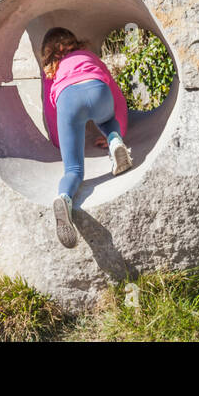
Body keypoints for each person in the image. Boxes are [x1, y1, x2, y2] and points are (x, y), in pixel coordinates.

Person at [40, 27, 133, 249]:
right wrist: (120, 130)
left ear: (49, 52)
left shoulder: (51, 71)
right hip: (98, 89)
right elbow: (117, 94)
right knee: (106, 119)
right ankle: (114, 143)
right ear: (73, 42)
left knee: (73, 170)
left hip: (68, 99)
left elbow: (50, 111)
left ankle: (64, 198)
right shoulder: (89, 56)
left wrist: (59, 142)